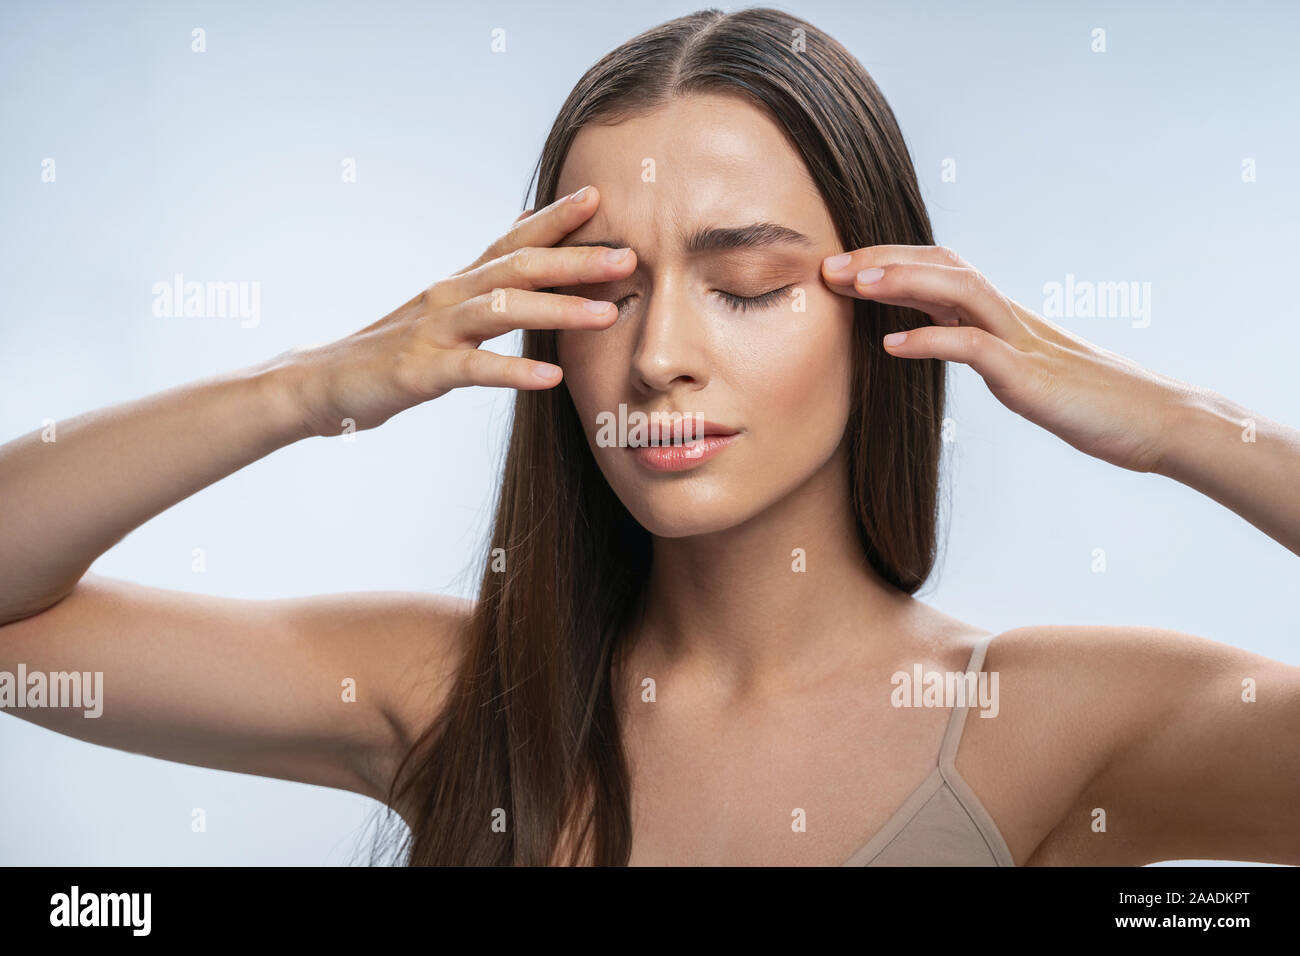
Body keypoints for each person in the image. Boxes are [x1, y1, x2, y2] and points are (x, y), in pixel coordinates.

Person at [1, 8, 1297, 867]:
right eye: (607, 291)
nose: (661, 350)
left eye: (746, 283)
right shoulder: (457, 696)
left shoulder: (1062, 721)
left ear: (882, 309)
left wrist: (1189, 430)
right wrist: (311, 386)